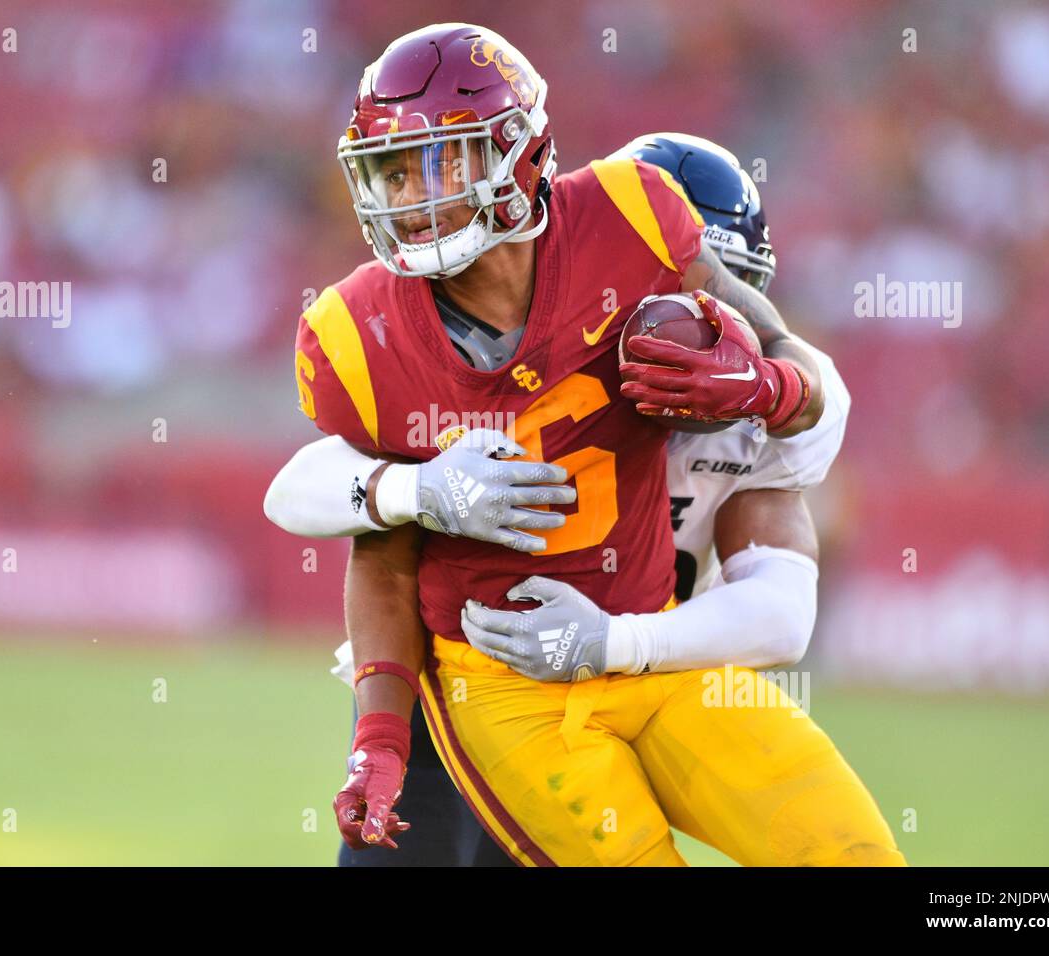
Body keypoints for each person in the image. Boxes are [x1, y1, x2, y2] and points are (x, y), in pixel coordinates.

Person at [275, 23, 901, 865]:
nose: (681, 316)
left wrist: (762, 387)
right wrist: (418, 491)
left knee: (848, 850)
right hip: (484, 686)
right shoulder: (366, 332)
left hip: (656, 649)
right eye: (394, 168)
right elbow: (337, 515)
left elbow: (803, 411)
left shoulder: (654, 258)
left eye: (438, 161)